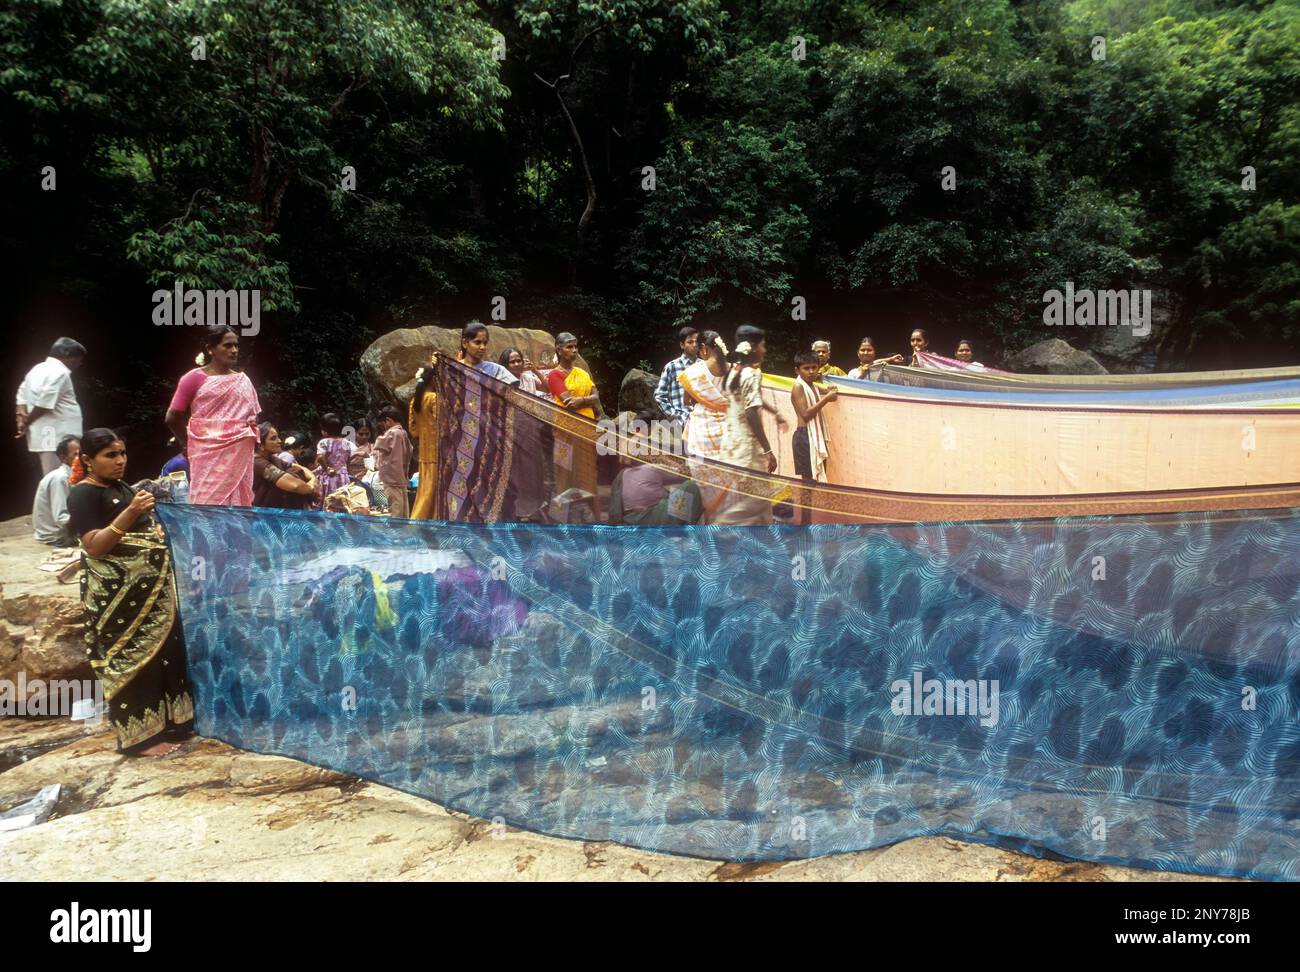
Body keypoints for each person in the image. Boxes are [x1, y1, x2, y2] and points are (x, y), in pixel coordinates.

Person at [67, 428, 193, 755]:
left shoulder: (122, 487)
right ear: (87, 460)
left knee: (165, 654)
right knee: (134, 660)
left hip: (152, 595)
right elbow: (95, 546)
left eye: (122, 453)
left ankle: (174, 723)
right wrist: (132, 511)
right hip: (119, 600)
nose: (120, 460)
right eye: (110, 455)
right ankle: (140, 738)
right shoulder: (83, 494)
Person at [165, 325, 261, 505]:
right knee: (206, 503)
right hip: (206, 455)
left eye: (236, 345)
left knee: (238, 509)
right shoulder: (193, 378)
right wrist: (191, 443)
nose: (234, 350)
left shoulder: (243, 380)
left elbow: (253, 418)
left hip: (239, 456)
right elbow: (172, 417)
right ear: (210, 349)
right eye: (227, 345)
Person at [713, 324, 779, 526]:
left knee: (755, 501)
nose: (765, 350)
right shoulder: (751, 373)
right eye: (763, 346)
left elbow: (749, 398)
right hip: (748, 450)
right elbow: (750, 412)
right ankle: (722, 525)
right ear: (754, 348)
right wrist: (768, 449)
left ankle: (765, 546)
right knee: (760, 499)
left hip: (732, 445)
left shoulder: (734, 372)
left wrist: (774, 412)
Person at [608, 412, 699, 525]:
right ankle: (684, 529)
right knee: (691, 487)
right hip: (648, 511)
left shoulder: (631, 444)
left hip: (632, 508)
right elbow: (680, 473)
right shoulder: (644, 445)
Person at [16, 337, 85, 476]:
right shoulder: (60, 372)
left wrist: (21, 419)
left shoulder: (36, 369)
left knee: (54, 475)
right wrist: (26, 421)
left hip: (47, 433)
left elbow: (21, 394)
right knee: (60, 476)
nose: (80, 363)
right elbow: (45, 403)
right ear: (67, 355)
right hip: (57, 433)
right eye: (79, 358)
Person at [791, 352, 839, 524]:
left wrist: (828, 392)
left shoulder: (812, 386)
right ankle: (805, 524)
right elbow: (805, 414)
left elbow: (827, 391)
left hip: (812, 438)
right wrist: (826, 398)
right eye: (806, 368)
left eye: (814, 367)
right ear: (797, 370)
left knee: (811, 485)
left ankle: (808, 523)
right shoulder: (798, 387)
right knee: (807, 486)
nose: (811, 371)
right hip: (804, 438)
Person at [251, 423, 317, 509]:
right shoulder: (257, 462)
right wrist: (311, 487)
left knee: (295, 470)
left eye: (277, 437)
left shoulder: (272, 458)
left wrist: (313, 479)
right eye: (273, 438)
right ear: (260, 445)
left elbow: (300, 467)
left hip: (272, 511)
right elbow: (294, 485)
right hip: (261, 513)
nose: (279, 441)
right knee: (292, 474)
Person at [32, 434, 79, 546]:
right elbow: (62, 519)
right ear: (63, 458)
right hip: (56, 537)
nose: (81, 457)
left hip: (63, 533)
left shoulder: (71, 475)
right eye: (76, 454)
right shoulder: (60, 478)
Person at [408, 361, 439, 519]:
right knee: (432, 490)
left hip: (424, 451)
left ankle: (420, 518)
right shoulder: (434, 398)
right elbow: (442, 423)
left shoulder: (415, 400)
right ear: (434, 379)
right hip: (437, 450)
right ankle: (424, 519)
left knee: (424, 488)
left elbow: (413, 429)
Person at [654, 326, 699, 431]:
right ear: (682, 345)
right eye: (690, 342)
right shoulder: (672, 367)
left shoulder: (704, 366)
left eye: (696, 341)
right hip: (681, 422)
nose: (694, 345)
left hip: (701, 422)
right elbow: (659, 395)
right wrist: (674, 416)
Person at [373, 404, 413, 518]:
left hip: (391, 476)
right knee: (403, 504)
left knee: (395, 506)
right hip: (401, 475)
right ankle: (404, 527)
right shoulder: (403, 433)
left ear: (388, 420)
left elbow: (379, 443)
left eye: (383, 424)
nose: (383, 427)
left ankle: (396, 531)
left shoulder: (392, 433)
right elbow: (410, 449)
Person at [546, 332, 599, 417]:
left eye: (575, 346)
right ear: (559, 350)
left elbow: (596, 397)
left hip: (589, 421)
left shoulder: (583, 373)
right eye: (569, 347)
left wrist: (581, 401)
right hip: (567, 423)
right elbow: (571, 405)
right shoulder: (554, 374)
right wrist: (589, 402)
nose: (574, 350)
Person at [460, 321, 519, 385]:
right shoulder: (454, 370)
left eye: (485, 343)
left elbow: (512, 391)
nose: (483, 347)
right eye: (477, 342)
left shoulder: (497, 371)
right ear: (465, 343)